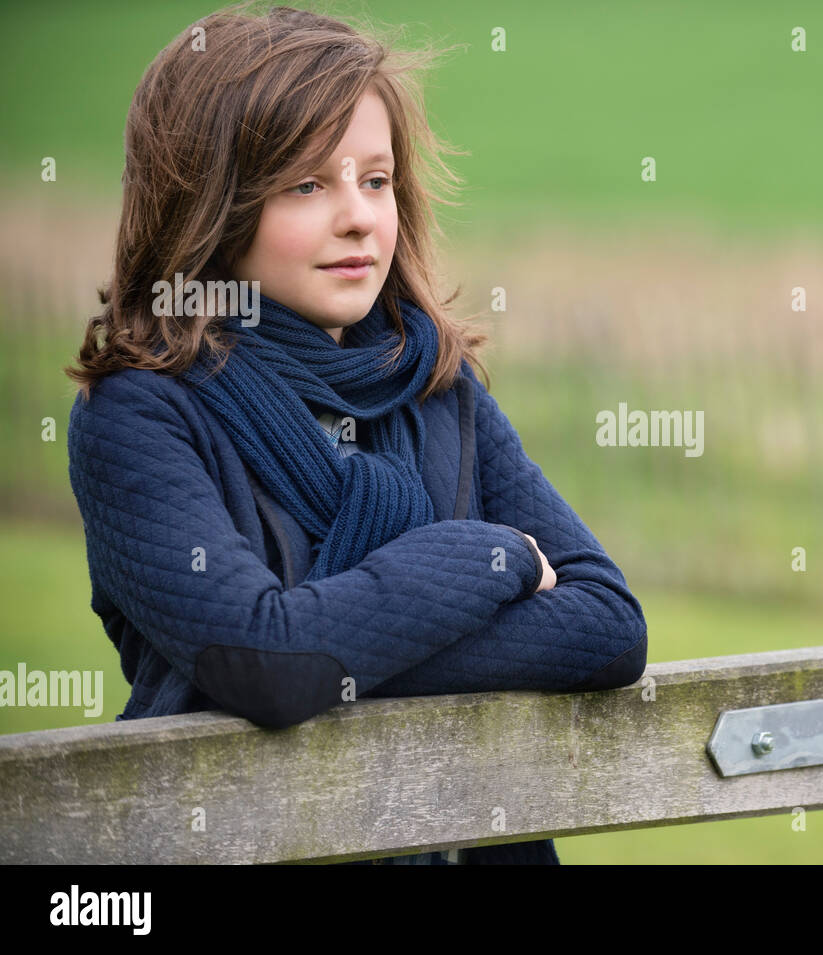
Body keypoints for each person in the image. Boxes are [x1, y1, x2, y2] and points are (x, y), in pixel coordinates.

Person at [63, 4, 648, 866]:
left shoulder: (435, 386)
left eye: (375, 181)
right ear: (210, 204)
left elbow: (608, 625)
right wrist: (497, 559)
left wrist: (328, 650)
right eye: (307, 185)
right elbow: (265, 658)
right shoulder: (140, 418)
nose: (359, 218)